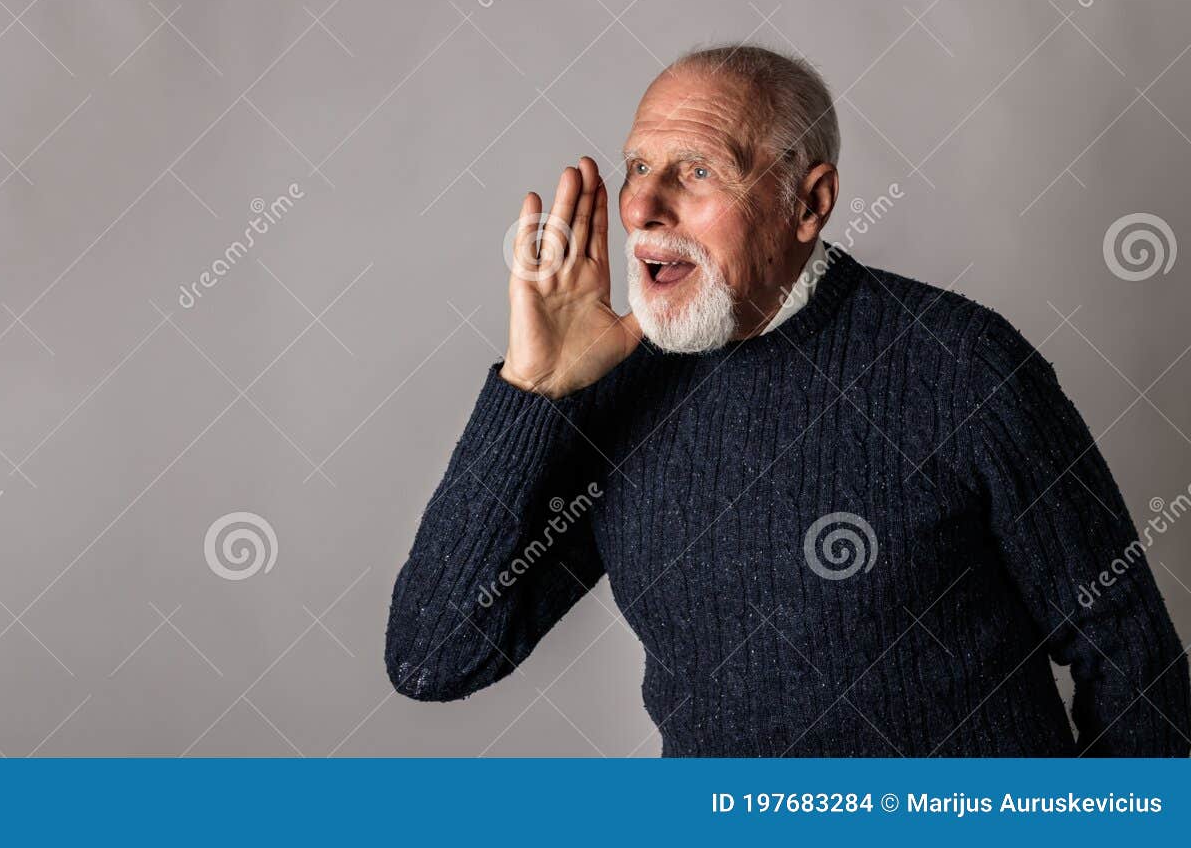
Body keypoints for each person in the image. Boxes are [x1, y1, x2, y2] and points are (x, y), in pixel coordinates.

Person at [383, 44, 1189, 756]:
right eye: (637, 167)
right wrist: (532, 395)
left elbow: (1131, 658)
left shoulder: (961, 362)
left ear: (807, 203)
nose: (641, 208)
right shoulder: (619, 386)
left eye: (696, 171)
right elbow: (432, 658)